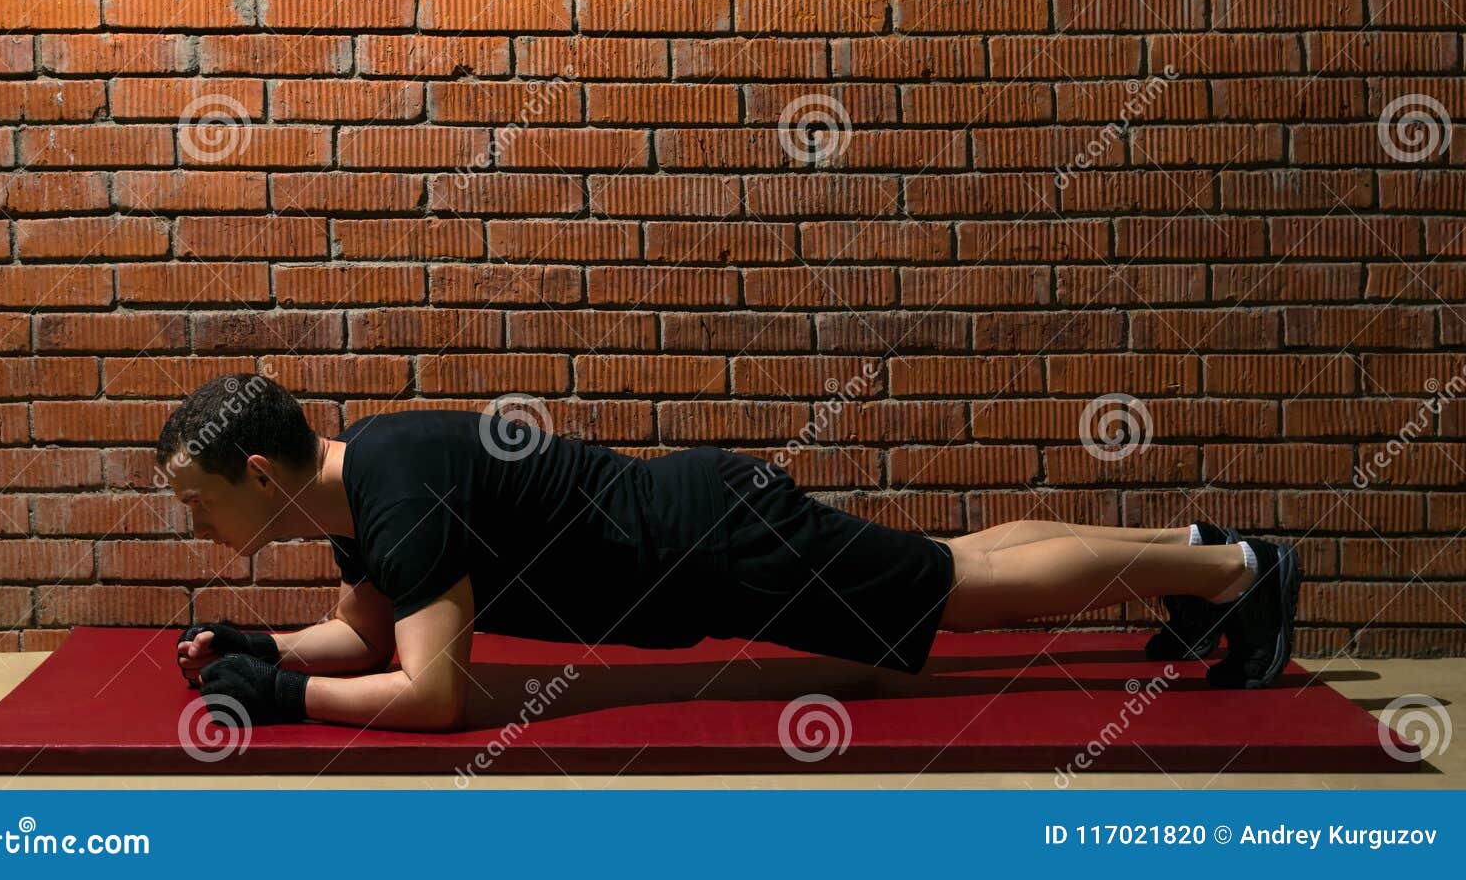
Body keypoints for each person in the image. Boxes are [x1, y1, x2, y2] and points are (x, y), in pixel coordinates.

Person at [159, 374, 1301, 731]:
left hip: (717, 544)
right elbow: (374, 627)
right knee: (948, 563)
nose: (197, 528)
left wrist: (290, 698)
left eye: (197, 502)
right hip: (707, 517)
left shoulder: (396, 501)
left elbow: (435, 688)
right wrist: (264, 641)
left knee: (958, 594)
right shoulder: (368, 482)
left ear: (258, 475)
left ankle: (1241, 572)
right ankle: (1190, 552)